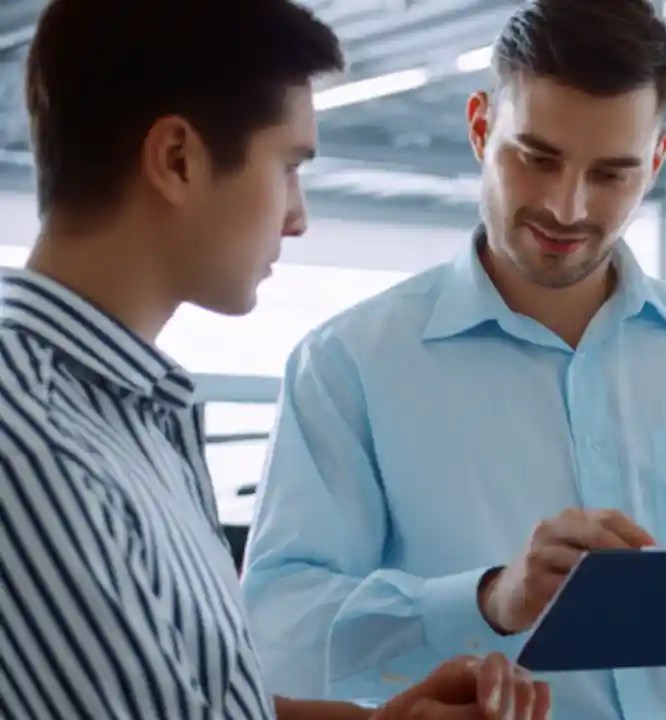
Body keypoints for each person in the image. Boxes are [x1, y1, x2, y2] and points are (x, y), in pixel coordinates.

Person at [242, 0, 666, 717]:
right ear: (481, 127)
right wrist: (487, 600)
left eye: (612, 174)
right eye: (537, 159)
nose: (567, 208)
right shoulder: (348, 363)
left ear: (657, 160)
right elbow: (275, 629)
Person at [0, 2, 550, 719]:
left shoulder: (132, 410)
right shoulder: (34, 442)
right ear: (177, 160)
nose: (298, 215)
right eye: (289, 166)